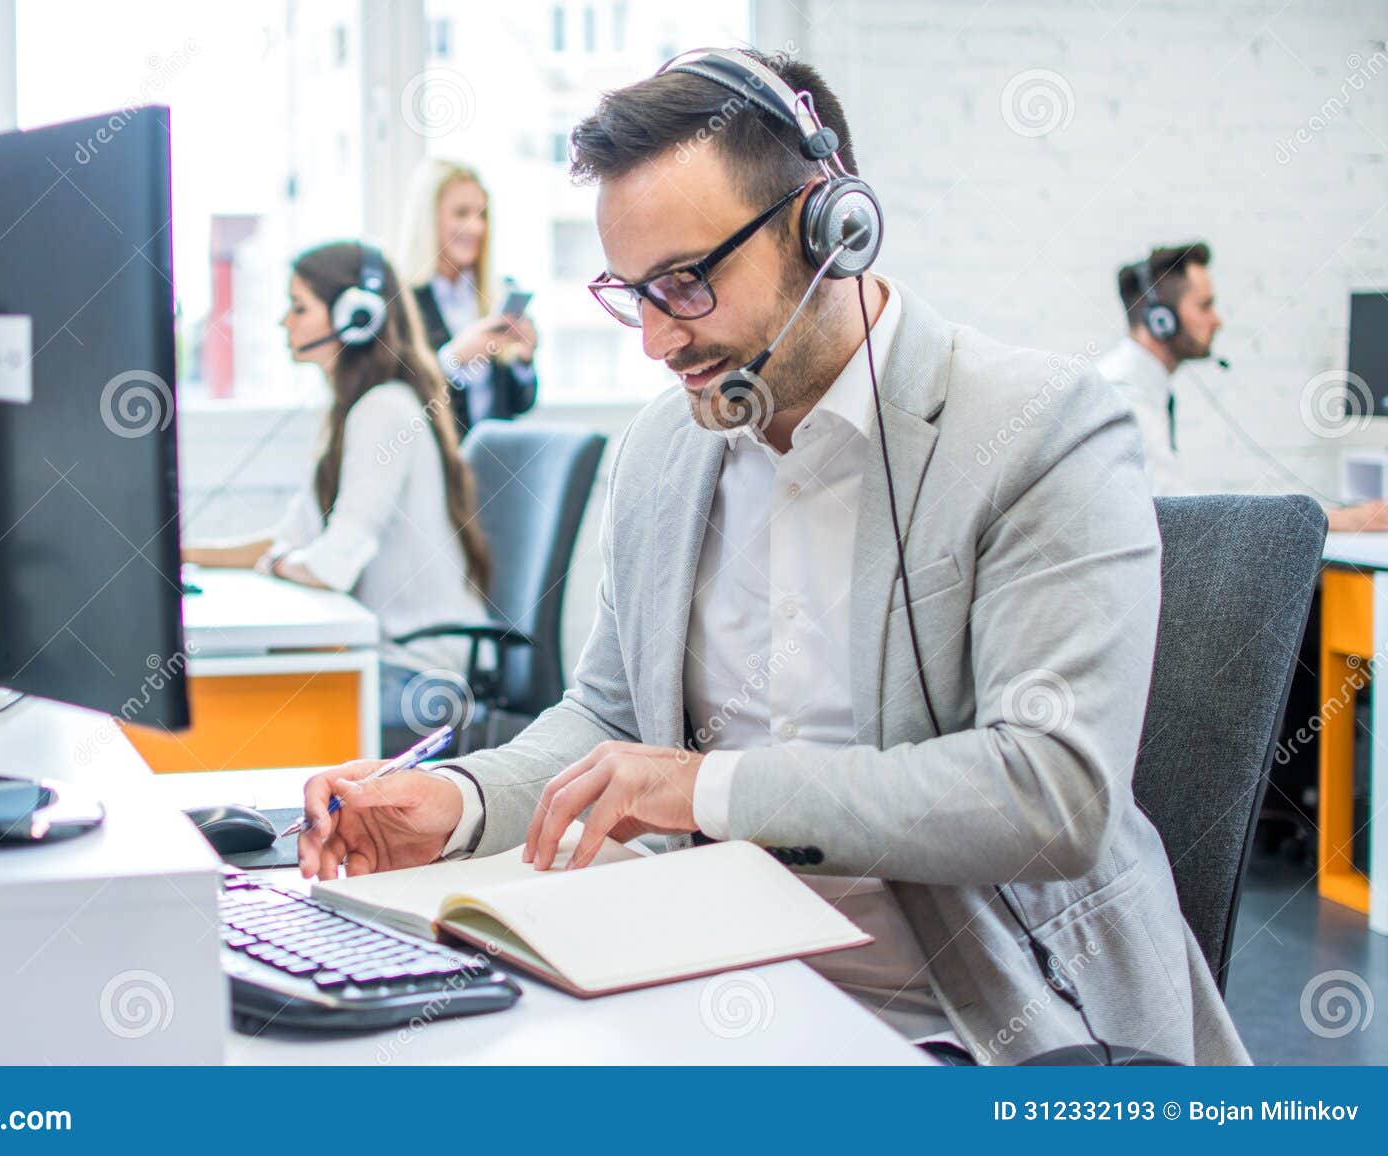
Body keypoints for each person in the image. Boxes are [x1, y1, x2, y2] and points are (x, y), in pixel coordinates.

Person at [293, 49, 1248, 1065]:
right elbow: (610, 719)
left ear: (831, 227)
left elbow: (1047, 793)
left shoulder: (1037, 428)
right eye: (632, 294)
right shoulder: (667, 446)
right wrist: (464, 799)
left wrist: (703, 788)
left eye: (687, 283)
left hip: (983, 1023)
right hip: (711, 986)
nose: (657, 341)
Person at [182, 242, 490, 750]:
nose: (285, 321)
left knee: (236, 711)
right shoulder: (348, 412)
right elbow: (289, 541)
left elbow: (330, 563)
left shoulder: (384, 410)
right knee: (228, 693)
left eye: (299, 306)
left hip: (419, 675)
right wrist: (183, 554)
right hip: (380, 656)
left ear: (356, 317)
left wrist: (280, 563)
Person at [1099, 242, 1388, 530]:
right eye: (1205, 306)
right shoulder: (1124, 396)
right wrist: (1339, 520)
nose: (1217, 321)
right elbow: (1184, 518)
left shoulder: (1140, 387)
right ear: (1162, 320)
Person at [400, 159, 538, 439]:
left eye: (481, 215)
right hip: (440, 467)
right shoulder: (403, 302)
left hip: (494, 464)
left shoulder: (498, 292)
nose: (476, 228)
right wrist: (453, 359)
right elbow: (403, 402)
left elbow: (520, 403)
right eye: (461, 213)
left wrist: (523, 359)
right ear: (428, 219)